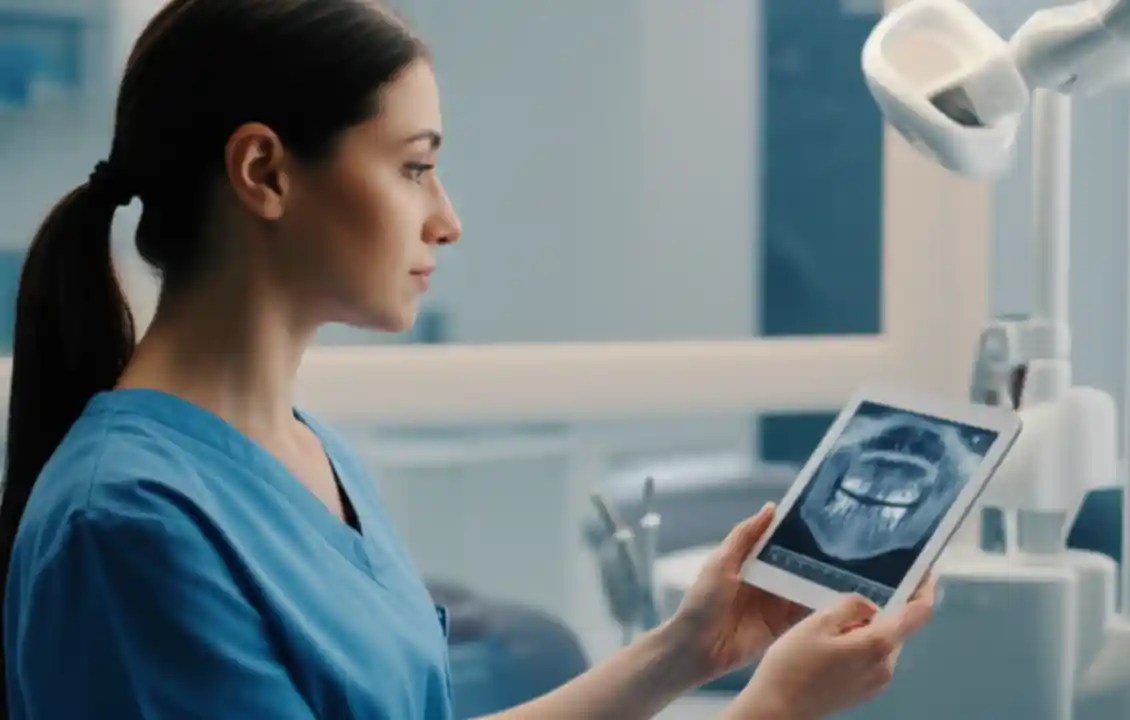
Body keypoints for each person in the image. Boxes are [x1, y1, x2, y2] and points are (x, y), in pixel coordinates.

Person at [0, 1, 935, 718]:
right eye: (413, 167)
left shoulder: (309, 456)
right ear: (265, 173)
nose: (447, 220)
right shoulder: (128, 532)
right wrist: (768, 711)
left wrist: (690, 650)